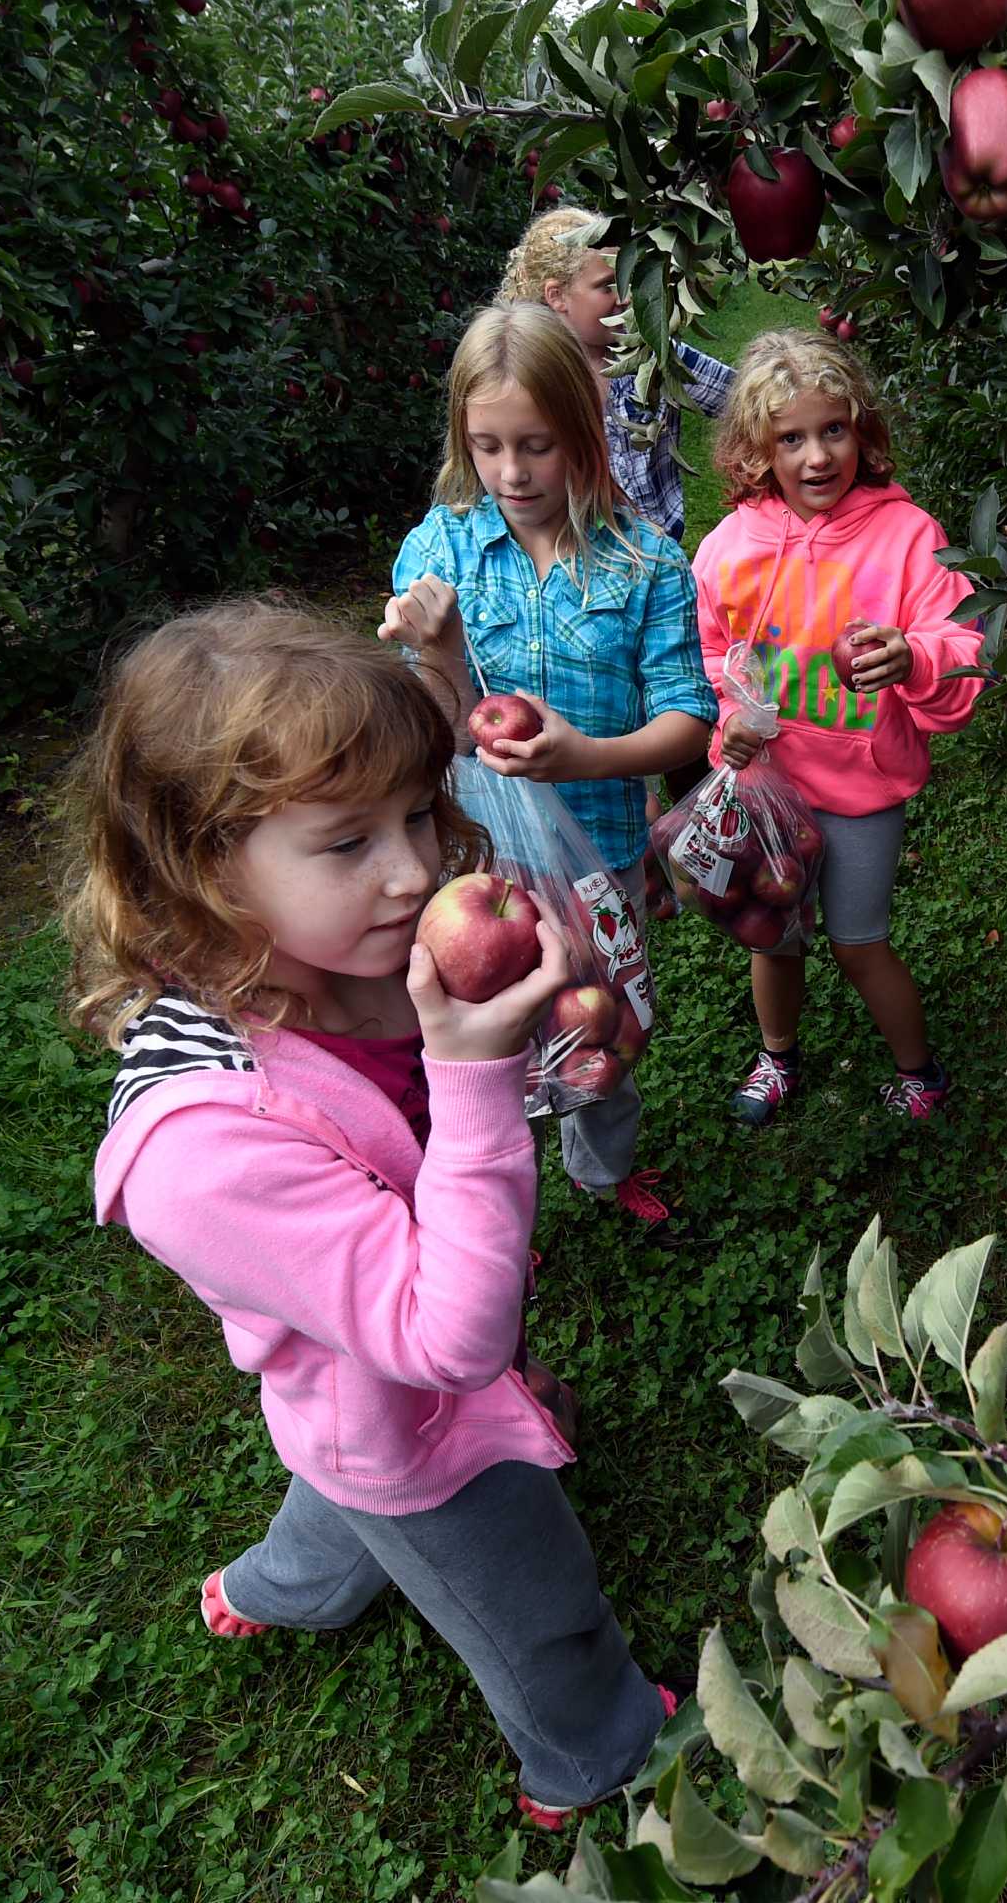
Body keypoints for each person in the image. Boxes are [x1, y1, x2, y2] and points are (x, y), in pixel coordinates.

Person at [66, 598, 672, 1831]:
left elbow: (430, 1130)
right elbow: (442, 1342)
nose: (414, 870)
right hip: (412, 1408)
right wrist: (472, 1074)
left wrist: (543, 1049)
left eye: (415, 816)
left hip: (355, 1380)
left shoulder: (350, 958)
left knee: (332, 1476)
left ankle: (279, 1586)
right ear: (201, 872)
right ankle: (592, 1752)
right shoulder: (197, 1152)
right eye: (345, 843)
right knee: (529, 1593)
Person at [381, 302, 716, 1228]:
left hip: (598, 854)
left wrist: (587, 755)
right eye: (487, 446)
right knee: (474, 1043)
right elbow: (429, 735)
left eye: (535, 444)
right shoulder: (440, 553)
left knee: (599, 1028)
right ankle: (483, 1197)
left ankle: (603, 1169)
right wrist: (440, 653)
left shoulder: (644, 564)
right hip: (469, 865)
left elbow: (690, 719)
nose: (512, 472)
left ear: (585, 430)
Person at [693, 330, 985, 1129]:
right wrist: (731, 721)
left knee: (859, 943)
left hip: (861, 793)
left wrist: (914, 656)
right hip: (771, 791)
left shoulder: (909, 537)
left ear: (864, 432)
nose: (817, 457)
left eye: (834, 430)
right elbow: (711, 651)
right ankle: (777, 1053)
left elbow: (959, 640)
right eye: (790, 438)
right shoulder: (729, 550)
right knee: (774, 940)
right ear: (758, 450)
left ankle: (917, 1071)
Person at [500, 205, 733, 547]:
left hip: (657, 557)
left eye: (625, 279)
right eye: (607, 286)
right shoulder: (532, 379)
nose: (625, 297)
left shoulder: (651, 356)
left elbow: (743, 397)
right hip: (575, 558)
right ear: (557, 296)